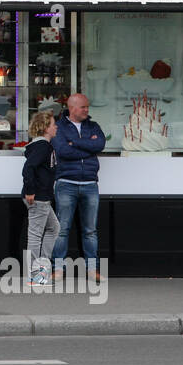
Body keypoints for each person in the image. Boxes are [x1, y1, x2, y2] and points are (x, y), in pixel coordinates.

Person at [51, 93, 106, 282]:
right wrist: (87, 146)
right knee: (62, 228)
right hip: (66, 182)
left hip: (90, 183)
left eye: (87, 107)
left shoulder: (93, 126)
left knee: (90, 230)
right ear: (72, 107)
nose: (87, 110)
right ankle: (57, 269)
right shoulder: (59, 126)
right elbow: (62, 151)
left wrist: (75, 142)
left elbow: (100, 144)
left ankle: (92, 270)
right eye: (83, 107)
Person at [21, 110, 60, 287]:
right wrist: (30, 190)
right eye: (53, 124)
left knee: (54, 228)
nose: (56, 127)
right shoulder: (42, 147)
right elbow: (28, 168)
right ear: (45, 128)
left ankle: (41, 270)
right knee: (36, 235)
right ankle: (35, 276)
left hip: (41, 196)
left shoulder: (40, 146)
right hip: (39, 196)